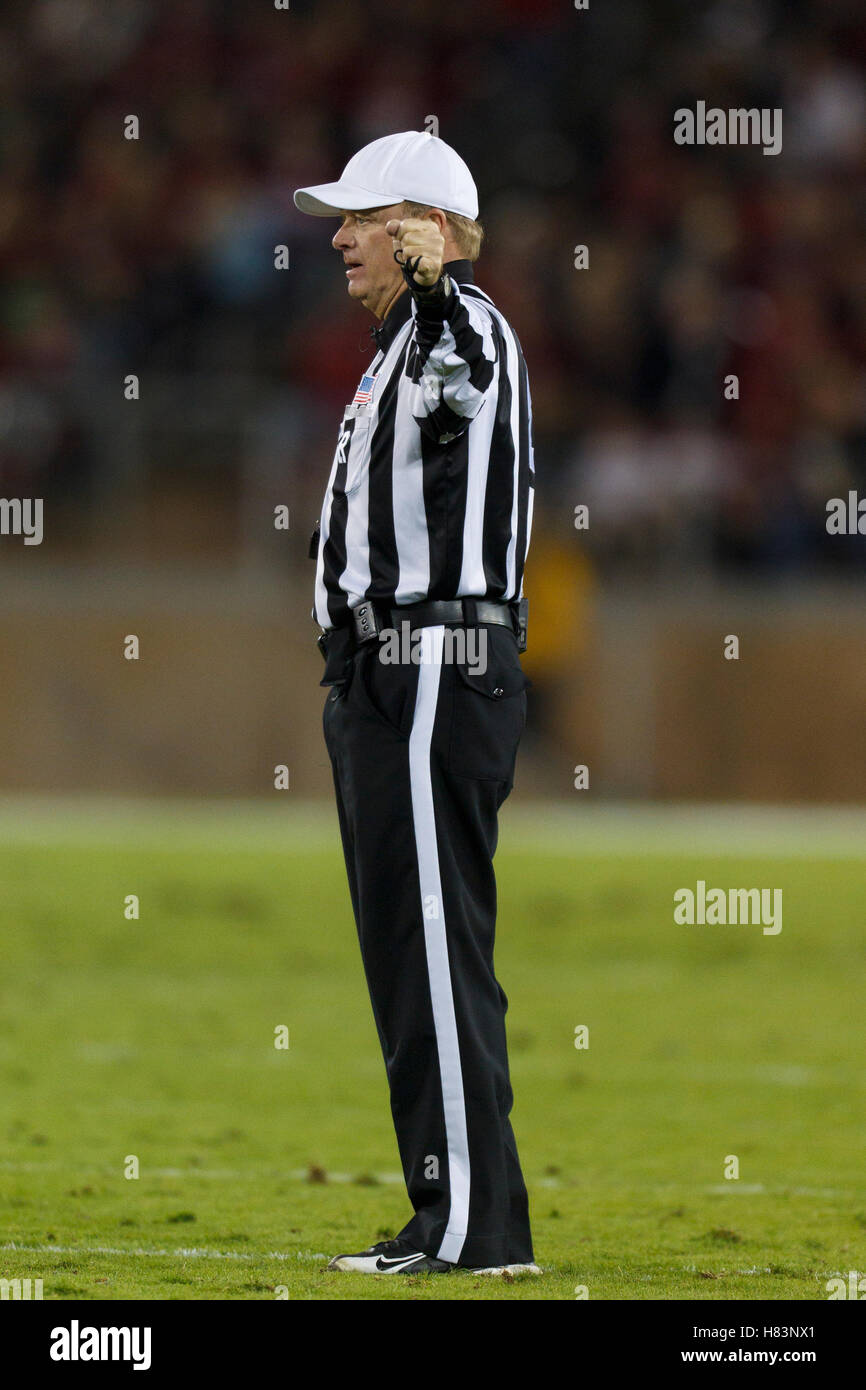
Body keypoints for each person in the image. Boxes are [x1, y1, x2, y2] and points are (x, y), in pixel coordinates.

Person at [295, 130, 539, 1276]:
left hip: (433, 661)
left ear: (423, 229)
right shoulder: (399, 344)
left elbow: (464, 375)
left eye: (362, 218)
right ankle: (443, 1212)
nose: (339, 238)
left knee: (434, 948)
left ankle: (470, 1231)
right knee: (408, 950)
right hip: (384, 672)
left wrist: (437, 283)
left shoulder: (460, 327)